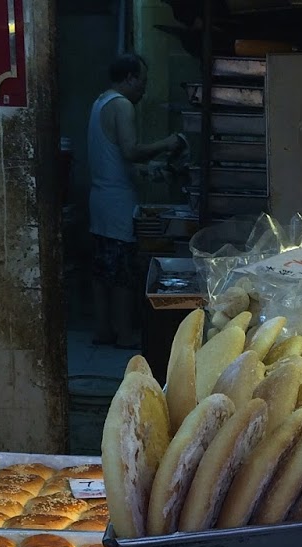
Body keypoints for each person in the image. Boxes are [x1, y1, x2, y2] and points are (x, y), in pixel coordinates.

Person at [87, 52, 184, 348]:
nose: (144, 88)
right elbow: (130, 150)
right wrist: (168, 143)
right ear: (129, 78)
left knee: (103, 271)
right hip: (118, 204)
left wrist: (145, 170)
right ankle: (126, 335)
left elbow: (114, 156)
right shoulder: (122, 105)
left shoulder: (100, 102)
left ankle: (104, 331)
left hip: (100, 199)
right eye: (142, 81)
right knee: (122, 273)